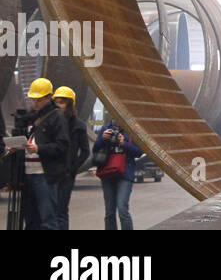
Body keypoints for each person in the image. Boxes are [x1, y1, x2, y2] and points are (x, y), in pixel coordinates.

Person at [21, 77, 68, 230]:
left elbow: (62, 146)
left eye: (39, 100)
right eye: (33, 100)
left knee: (48, 218)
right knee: (31, 218)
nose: (35, 103)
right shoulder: (32, 117)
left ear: (49, 97)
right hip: (29, 173)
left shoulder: (57, 117)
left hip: (45, 174)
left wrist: (39, 149)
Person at [93, 120, 142, 230]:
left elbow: (139, 152)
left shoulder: (132, 130)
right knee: (109, 212)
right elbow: (95, 149)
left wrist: (123, 143)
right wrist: (102, 139)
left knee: (122, 209)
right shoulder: (106, 128)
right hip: (107, 172)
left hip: (125, 173)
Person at [52, 86, 89, 230]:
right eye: (56, 102)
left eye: (62, 102)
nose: (58, 106)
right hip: (51, 172)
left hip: (66, 175)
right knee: (49, 210)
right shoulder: (52, 123)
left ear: (69, 104)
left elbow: (85, 151)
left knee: (61, 210)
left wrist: (73, 168)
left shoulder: (78, 125)